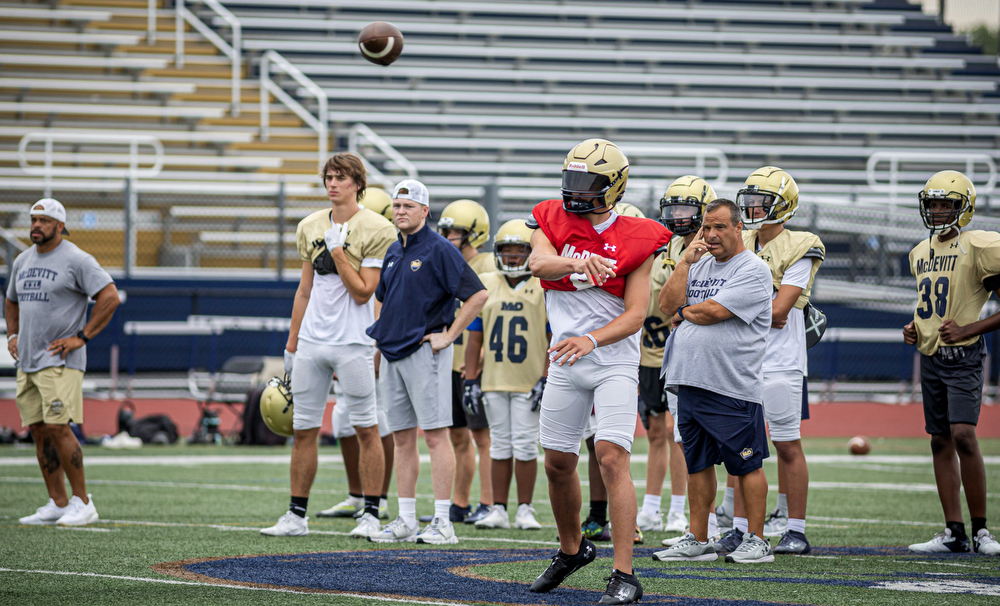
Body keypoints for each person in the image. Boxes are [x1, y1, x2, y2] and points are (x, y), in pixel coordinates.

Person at [527, 139, 671, 605]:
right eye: (571, 180)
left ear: (614, 186)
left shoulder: (640, 235)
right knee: (557, 463)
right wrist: (576, 261)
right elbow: (536, 262)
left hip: (611, 358)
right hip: (565, 358)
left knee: (611, 456)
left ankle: (625, 573)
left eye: (587, 183)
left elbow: (635, 314)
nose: (576, 191)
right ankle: (572, 550)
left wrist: (591, 339)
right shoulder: (551, 217)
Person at [262, 153, 396, 539]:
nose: (333, 183)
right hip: (312, 342)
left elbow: (363, 292)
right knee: (303, 429)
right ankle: (296, 515)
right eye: (329, 177)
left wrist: (338, 251)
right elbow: (305, 288)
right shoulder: (309, 225)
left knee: (366, 427)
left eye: (341, 177)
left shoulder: (376, 227)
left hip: (353, 341)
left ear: (358, 183)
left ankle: (371, 513)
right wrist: (292, 341)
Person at [366, 179, 489, 545]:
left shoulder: (439, 248)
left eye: (408, 206)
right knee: (403, 439)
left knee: (436, 437)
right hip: (392, 354)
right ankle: (405, 518)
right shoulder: (392, 250)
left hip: (426, 352)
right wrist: (379, 341)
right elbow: (382, 298)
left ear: (425, 211)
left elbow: (478, 294)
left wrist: (449, 336)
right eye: (397, 206)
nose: (401, 211)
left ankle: (442, 522)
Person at [654, 198, 774, 564]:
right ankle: (698, 538)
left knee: (747, 464)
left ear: (739, 228)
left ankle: (757, 539)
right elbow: (665, 304)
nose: (711, 234)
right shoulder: (699, 263)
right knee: (697, 464)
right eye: (707, 227)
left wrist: (683, 313)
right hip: (689, 379)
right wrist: (687, 262)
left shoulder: (753, 269)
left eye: (720, 227)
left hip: (731, 383)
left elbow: (713, 312)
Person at [903, 170, 999, 556]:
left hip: (964, 355)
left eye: (948, 204)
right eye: (934, 204)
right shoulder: (919, 252)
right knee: (939, 439)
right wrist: (914, 326)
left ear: (965, 208)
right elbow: (932, 305)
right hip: (931, 356)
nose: (939, 211)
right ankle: (954, 531)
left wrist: (969, 329)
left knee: (963, 434)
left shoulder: (978, 245)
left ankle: (982, 531)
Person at [10, 198, 120, 526]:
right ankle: (57, 502)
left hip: (60, 360)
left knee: (59, 427)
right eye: (33, 219)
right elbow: (11, 300)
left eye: (44, 221)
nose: (36, 226)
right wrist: (12, 334)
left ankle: (83, 502)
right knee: (40, 430)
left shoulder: (77, 259)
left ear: (60, 226)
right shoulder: (22, 260)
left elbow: (110, 296)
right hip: (28, 360)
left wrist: (81, 337)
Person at [736, 167, 824, 555]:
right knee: (740, 447)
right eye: (750, 201)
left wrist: (729, 305)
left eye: (762, 202)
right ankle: (740, 529)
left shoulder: (800, 245)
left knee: (787, 445)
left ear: (783, 206)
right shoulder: (738, 240)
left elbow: (779, 311)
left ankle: (796, 529)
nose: (753, 209)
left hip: (782, 360)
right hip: (739, 360)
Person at [635, 181, 720, 537]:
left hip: (690, 351)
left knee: (680, 433)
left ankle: (680, 511)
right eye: (673, 210)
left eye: (686, 210)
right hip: (653, 348)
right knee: (656, 431)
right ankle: (652, 507)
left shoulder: (715, 252)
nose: (678, 218)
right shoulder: (663, 245)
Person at [464, 219, 547, 531]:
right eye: (507, 252)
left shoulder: (544, 285)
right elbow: (474, 338)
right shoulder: (487, 281)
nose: (512, 258)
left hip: (529, 380)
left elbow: (554, 337)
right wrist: (471, 380)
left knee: (525, 445)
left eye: (519, 251)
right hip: (494, 379)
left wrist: (546, 376)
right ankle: (498, 508)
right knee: (499, 444)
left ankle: (524, 508)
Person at [436, 199, 494, 525]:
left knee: (481, 437)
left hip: (471, 363)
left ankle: (487, 501)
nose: (446, 236)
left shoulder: (487, 265)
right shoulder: (447, 261)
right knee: (457, 435)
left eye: (453, 231)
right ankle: (459, 502)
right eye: (444, 230)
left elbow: (491, 316)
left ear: (474, 233)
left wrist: (480, 358)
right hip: (450, 360)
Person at [318, 385, 394, 521]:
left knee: (377, 414)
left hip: (370, 365)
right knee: (343, 417)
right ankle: (356, 498)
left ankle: (380, 500)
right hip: (346, 365)